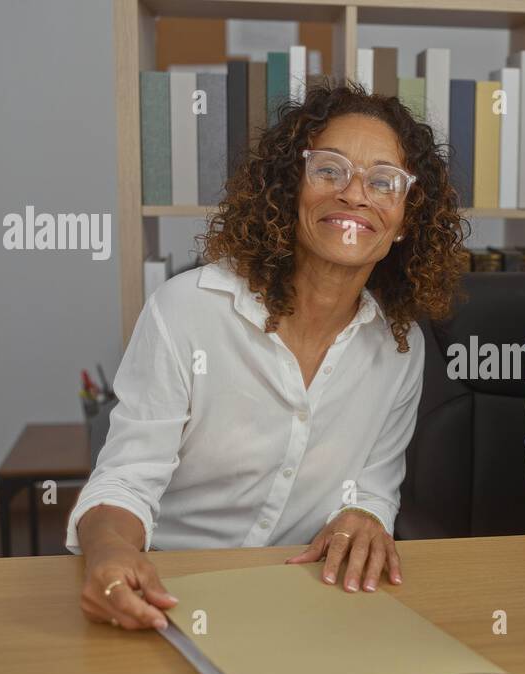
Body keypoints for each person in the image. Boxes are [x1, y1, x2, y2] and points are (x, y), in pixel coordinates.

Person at [68, 79, 465, 630]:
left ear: (405, 220)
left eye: (383, 181)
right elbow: (126, 480)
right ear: (288, 188)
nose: (354, 194)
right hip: (169, 594)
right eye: (328, 170)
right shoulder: (186, 310)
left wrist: (365, 514)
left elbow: (375, 485)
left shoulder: (399, 344)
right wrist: (110, 553)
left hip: (307, 602)